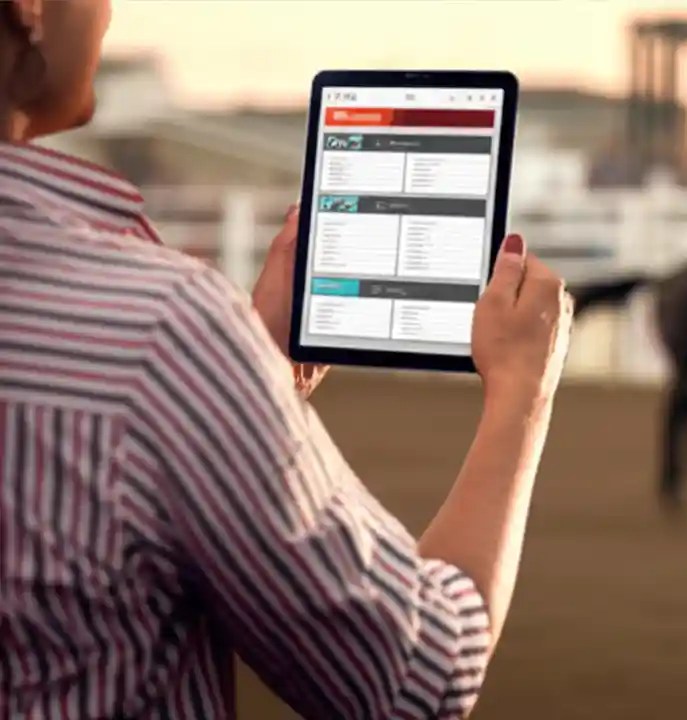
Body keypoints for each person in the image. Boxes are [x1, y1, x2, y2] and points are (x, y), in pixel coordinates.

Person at [0, 2, 573, 718]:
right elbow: (413, 680)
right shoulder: (162, 333)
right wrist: (524, 392)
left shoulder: (166, 346)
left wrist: (242, 379)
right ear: (28, 9)